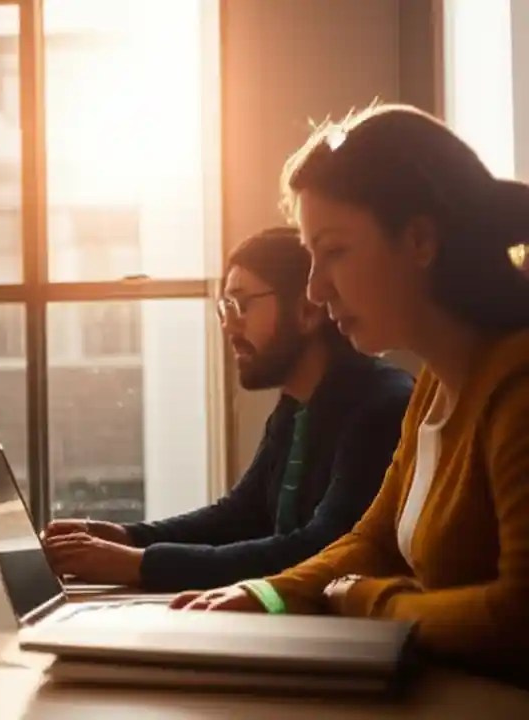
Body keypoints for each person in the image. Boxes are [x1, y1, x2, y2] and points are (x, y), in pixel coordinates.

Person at [171, 104, 529, 688]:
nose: (315, 287)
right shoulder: (437, 385)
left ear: (418, 240)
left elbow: (519, 620)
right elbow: (376, 537)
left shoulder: (518, 385)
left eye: (334, 252)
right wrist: (264, 596)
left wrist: (372, 603)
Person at [42, 227, 414, 592]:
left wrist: (138, 564)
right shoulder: (296, 407)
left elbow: (319, 550)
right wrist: (130, 536)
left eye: (241, 304)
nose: (229, 326)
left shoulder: (380, 407)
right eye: (224, 308)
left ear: (307, 311)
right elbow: (240, 516)